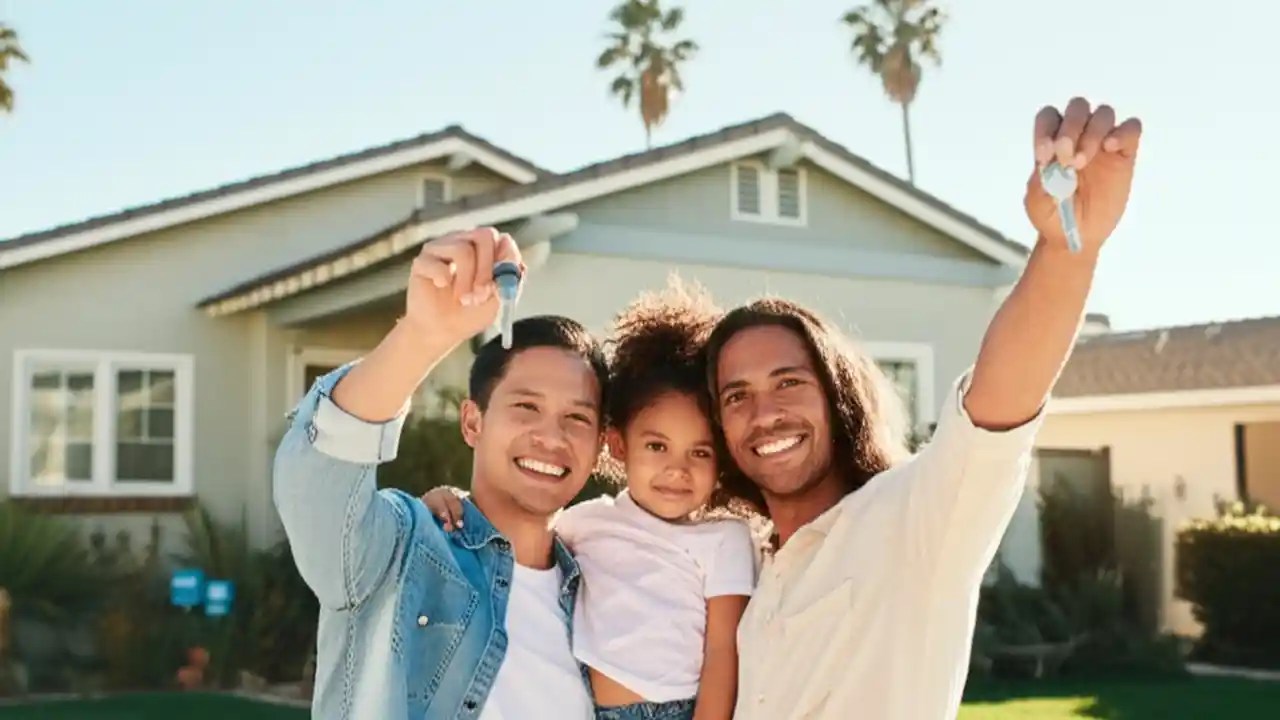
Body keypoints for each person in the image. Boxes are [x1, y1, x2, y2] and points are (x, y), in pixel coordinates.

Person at [709, 98, 1144, 720]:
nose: (765, 413)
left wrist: (1067, 250)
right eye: (736, 396)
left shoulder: (915, 521)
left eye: (788, 383)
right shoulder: (745, 563)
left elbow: (998, 408)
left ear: (837, 397)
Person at [273, 228, 609, 719]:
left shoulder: (603, 589)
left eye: (576, 418)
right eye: (526, 407)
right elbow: (319, 476)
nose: (551, 437)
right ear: (473, 422)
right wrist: (423, 335)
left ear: (600, 446)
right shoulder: (401, 553)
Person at [423, 279, 758, 720]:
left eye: (700, 452)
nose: (678, 469)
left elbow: (722, 655)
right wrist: (450, 498)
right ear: (617, 446)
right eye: (657, 447)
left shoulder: (726, 537)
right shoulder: (585, 523)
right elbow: (515, 523)